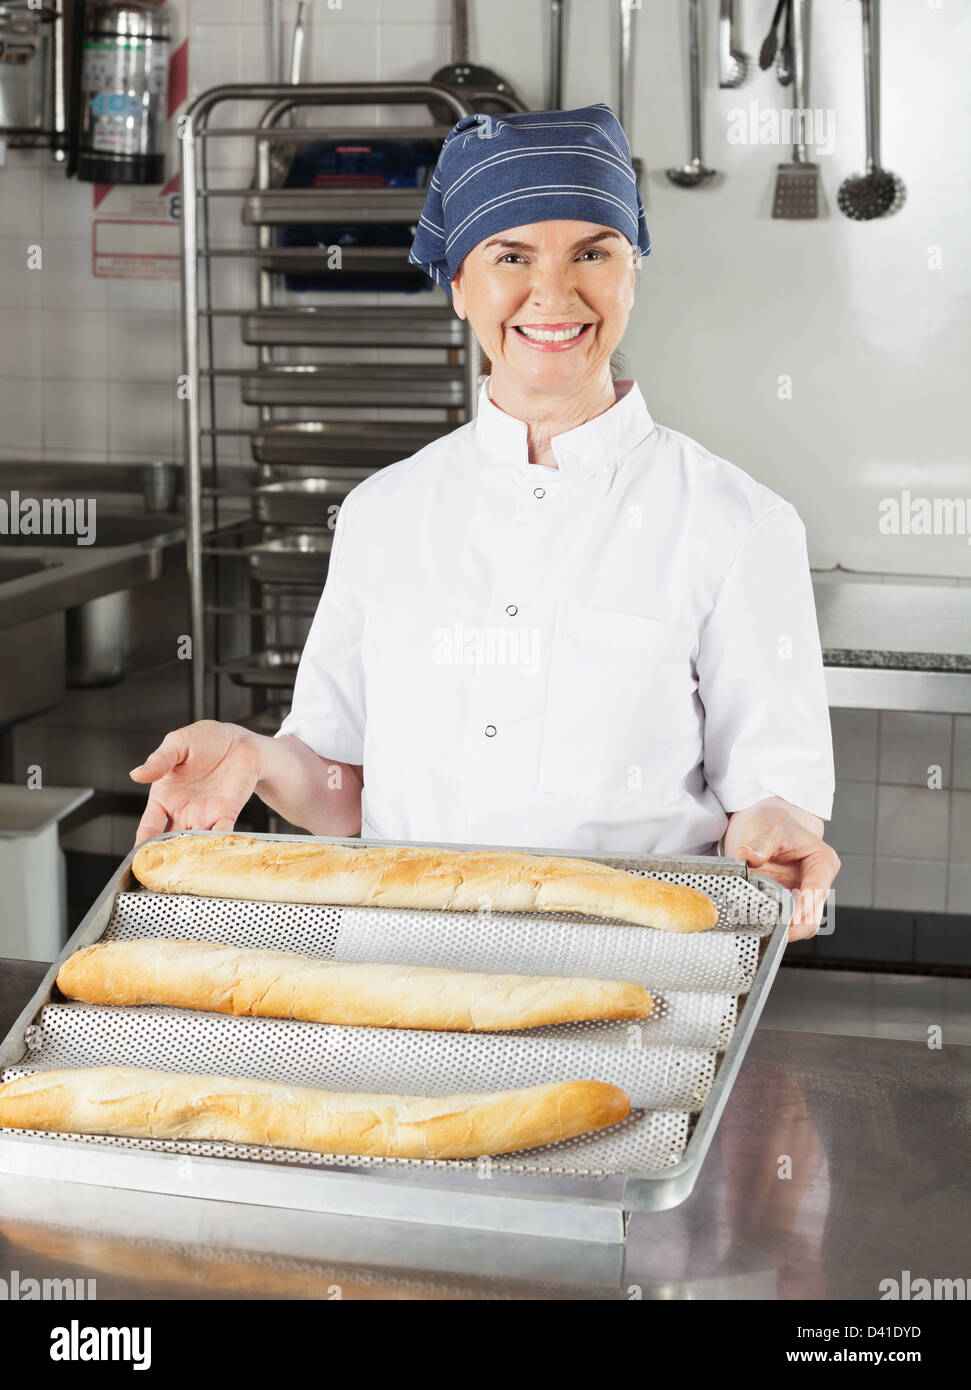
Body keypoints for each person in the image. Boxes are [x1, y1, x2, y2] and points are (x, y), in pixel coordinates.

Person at [132, 104, 839, 940]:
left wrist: (770, 833)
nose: (554, 293)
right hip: (399, 968)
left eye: (592, 253)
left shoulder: (738, 524)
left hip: (639, 975)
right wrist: (255, 759)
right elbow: (340, 790)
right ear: (458, 285)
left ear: (632, 272)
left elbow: (770, 796)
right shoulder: (384, 512)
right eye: (511, 256)